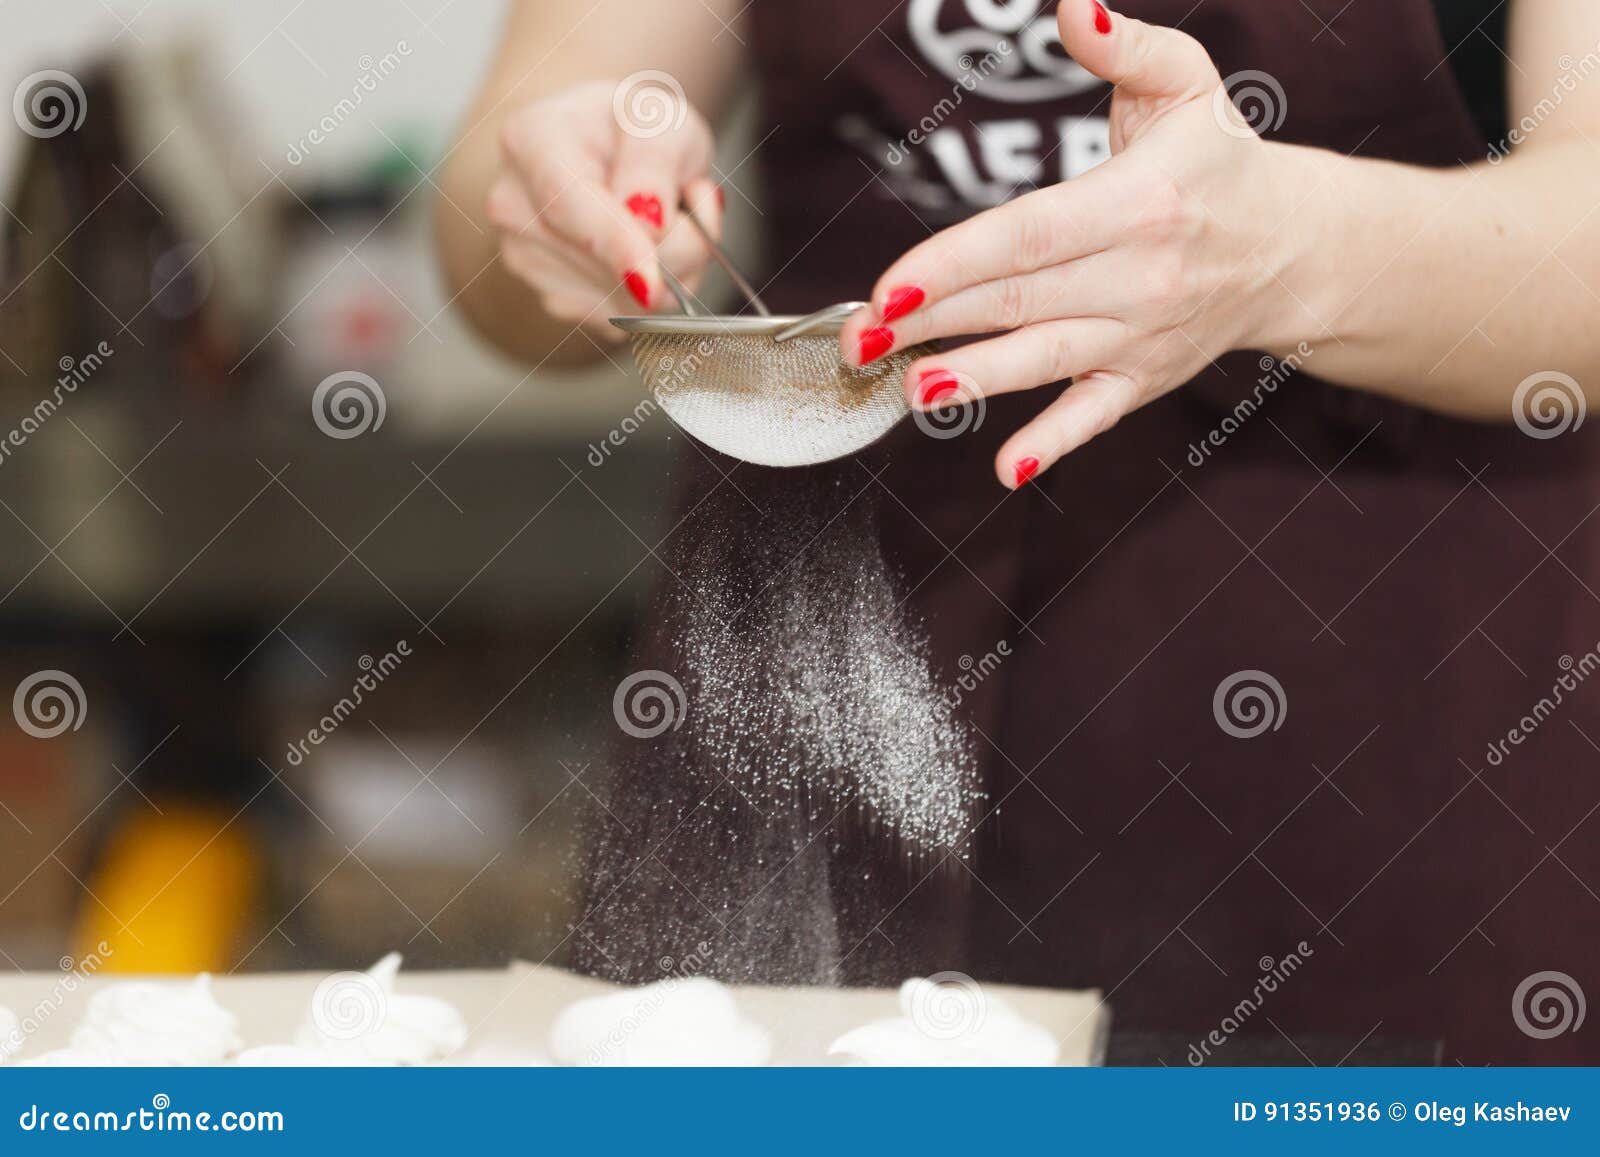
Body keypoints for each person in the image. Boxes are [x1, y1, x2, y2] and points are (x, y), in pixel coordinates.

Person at [439, 0, 1600, 1064]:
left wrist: (1292, 247)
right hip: (816, 649)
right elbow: (493, 256)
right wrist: (555, 208)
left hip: (1372, 686)